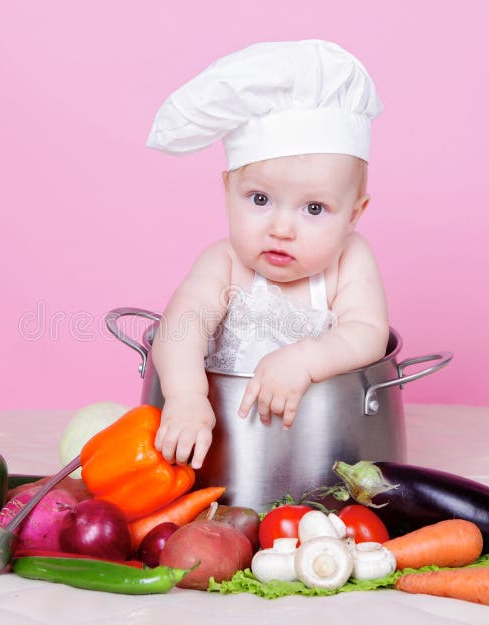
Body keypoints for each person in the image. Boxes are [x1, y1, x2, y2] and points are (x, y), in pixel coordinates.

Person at [145, 40, 389, 470]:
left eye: (314, 209)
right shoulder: (223, 264)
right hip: (219, 454)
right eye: (259, 199)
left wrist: (304, 359)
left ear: (354, 215)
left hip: (326, 455)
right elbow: (180, 329)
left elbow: (368, 332)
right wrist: (185, 396)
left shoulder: (349, 260)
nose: (280, 229)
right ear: (227, 191)